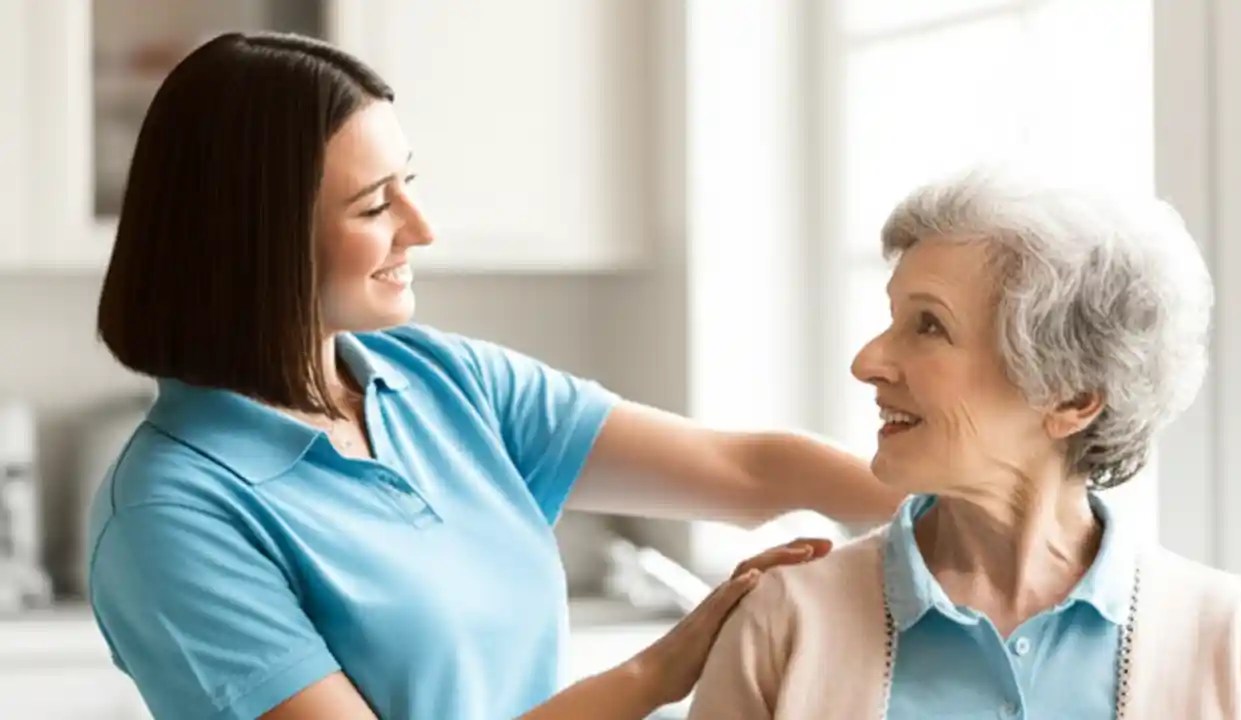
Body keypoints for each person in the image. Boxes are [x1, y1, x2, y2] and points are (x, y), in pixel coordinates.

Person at [85, 32, 902, 720]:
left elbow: (750, 471)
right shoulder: (171, 516)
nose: (421, 227)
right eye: (375, 206)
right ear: (254, 242)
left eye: (411, 183)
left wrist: (990, 510)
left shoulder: (441, 382)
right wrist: (661, 670)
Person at [689, 166, 1241, 718]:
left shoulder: (1240, 644)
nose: (867, 361)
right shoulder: (785, 622)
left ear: (1072, 398)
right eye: (893, 318)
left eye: (929, 325)